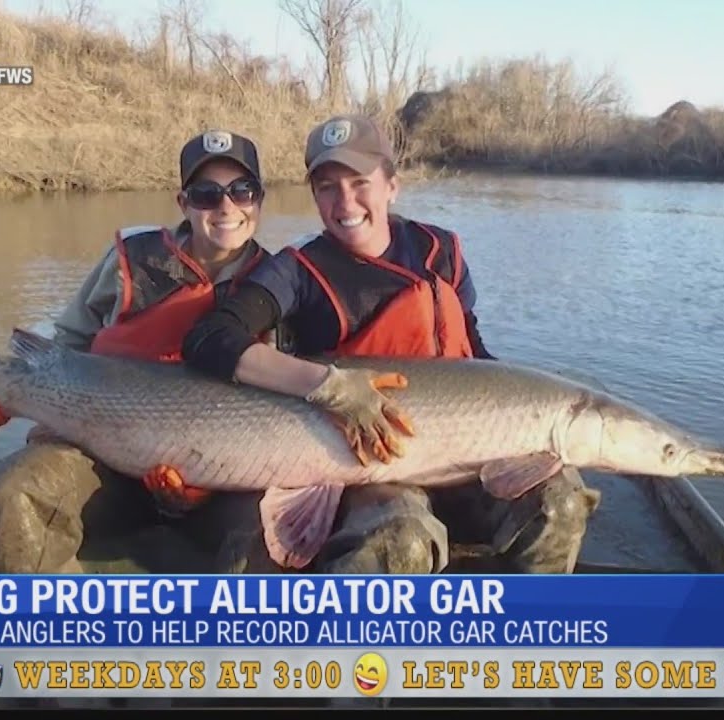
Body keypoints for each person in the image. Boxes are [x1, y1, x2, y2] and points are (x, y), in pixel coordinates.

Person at [181, 113, 590, 575]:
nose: (345, 202)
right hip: (369, 465)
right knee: (401, 537)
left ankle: (524, 631)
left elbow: (473, 350)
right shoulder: (296, 269)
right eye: (327, 187)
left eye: (359, 182)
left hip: (467, 455)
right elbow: (211, 338)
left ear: (391, 185)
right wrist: (327, 386)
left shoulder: (441, 251)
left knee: (563, 503)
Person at [0, 129, 289, 574]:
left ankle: (230, 640)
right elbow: (69, 347)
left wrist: (209, 480)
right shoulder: (131, 257)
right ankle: (23, 633)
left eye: (242, 191)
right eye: (206, 194)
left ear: (260, 199)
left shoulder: (281, 282)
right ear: (183, 203)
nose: (226, 207)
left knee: (276, 536)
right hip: (103, 458)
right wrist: (6, 395)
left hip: (224, 477)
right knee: (13, 491)